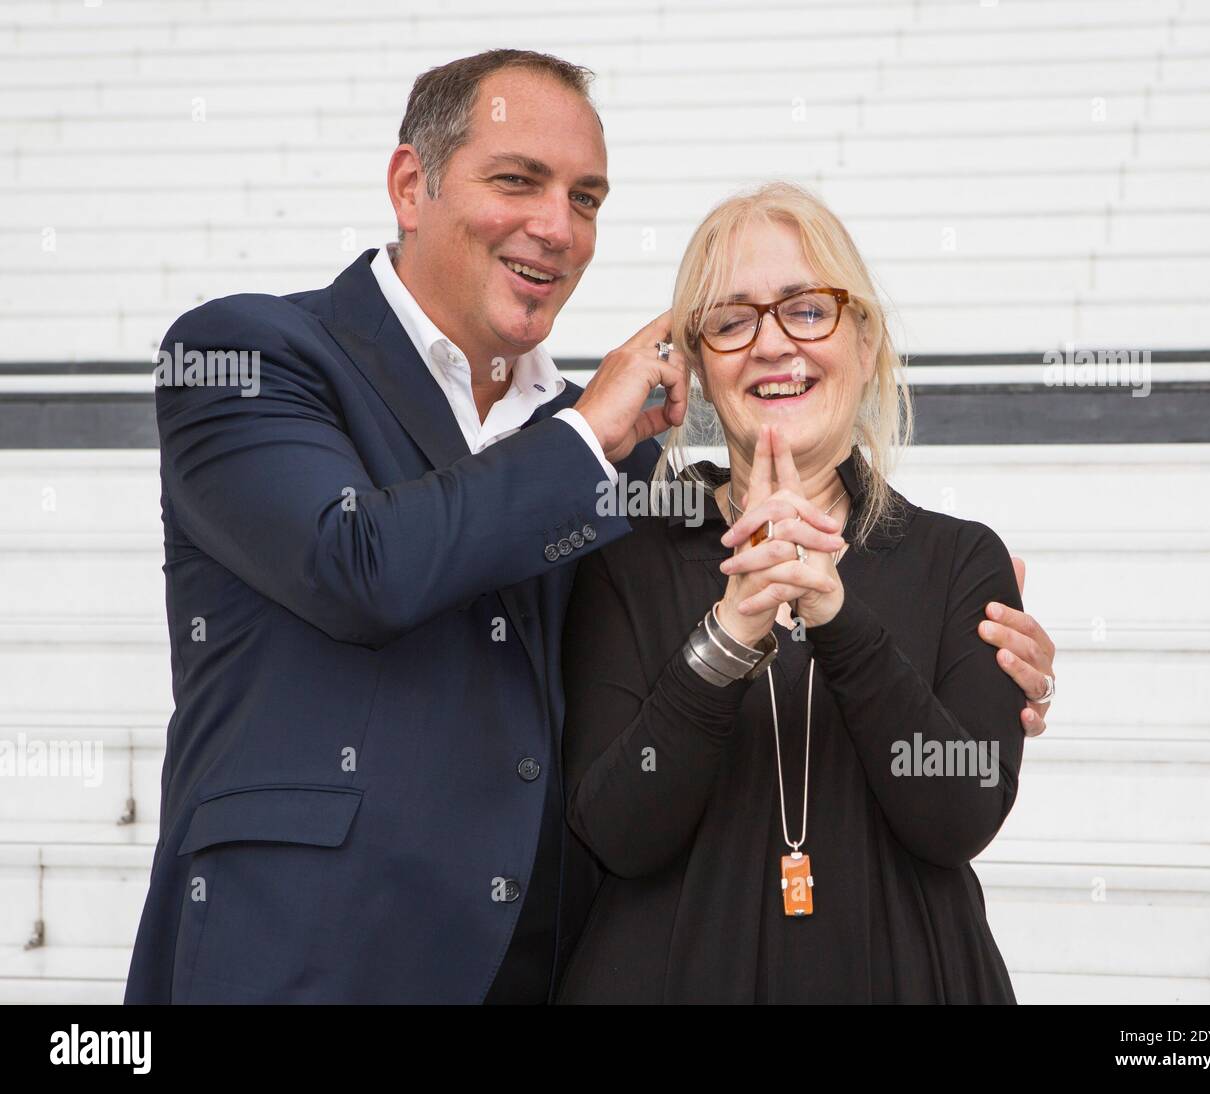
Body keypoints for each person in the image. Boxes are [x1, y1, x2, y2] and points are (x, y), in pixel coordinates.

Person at [125, 50, 1054, 1005]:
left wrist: (980, 673)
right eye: (518, 180)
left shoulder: (628, 472)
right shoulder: (246, 353)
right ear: (412, 185)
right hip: (299, 957)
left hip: (532, 964)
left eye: (587, 198)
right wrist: (590, 435)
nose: (556, 226)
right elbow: (358, 561)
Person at [557, 182, 1051, 1002]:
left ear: (863, 342)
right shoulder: (627, 555)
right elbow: (616, 830)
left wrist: (837, 617)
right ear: (702, 369)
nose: (771, 343)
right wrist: (726, 636)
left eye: (806, 310)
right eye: (730, 320)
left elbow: (959, 814)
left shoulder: (959, 558)